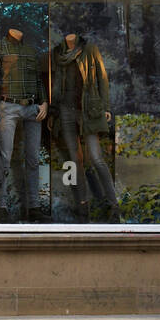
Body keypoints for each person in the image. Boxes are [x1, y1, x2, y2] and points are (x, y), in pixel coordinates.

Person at [50, 32, 121, 223]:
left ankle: (114, 205)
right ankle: (82, 207)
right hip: (65, 110)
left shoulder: (89, 49)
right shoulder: (57, 53)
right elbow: (55, 85)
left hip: (88, 109)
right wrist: (53, 111)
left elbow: (102, 78)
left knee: (97, 158)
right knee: (75, 161)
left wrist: (105, 107)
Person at [0, 27, 49, 223]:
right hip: (8, 107)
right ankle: (1, 208)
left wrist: (44, 101)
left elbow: (38, 80)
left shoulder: (31, 50)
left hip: (32, 108)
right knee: (4, 157)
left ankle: (34, 207)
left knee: (33, 159)